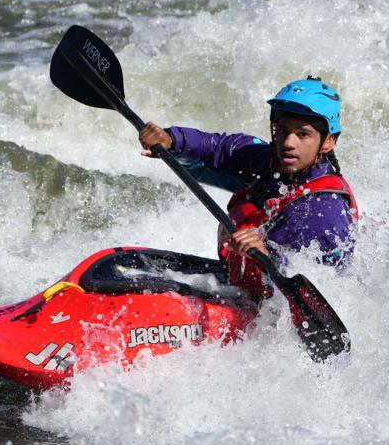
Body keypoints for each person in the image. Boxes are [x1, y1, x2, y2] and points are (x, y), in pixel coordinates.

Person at [138, 76, 358, 301]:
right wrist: (171, 139)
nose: (288, 142)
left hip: (271, 314)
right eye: (282, 130)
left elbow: (321, 289)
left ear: (328, 141)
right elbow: (218, 148)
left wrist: (267, 256)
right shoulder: (268, 160)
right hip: (241, 289)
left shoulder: (323, 210)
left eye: (303, 134)